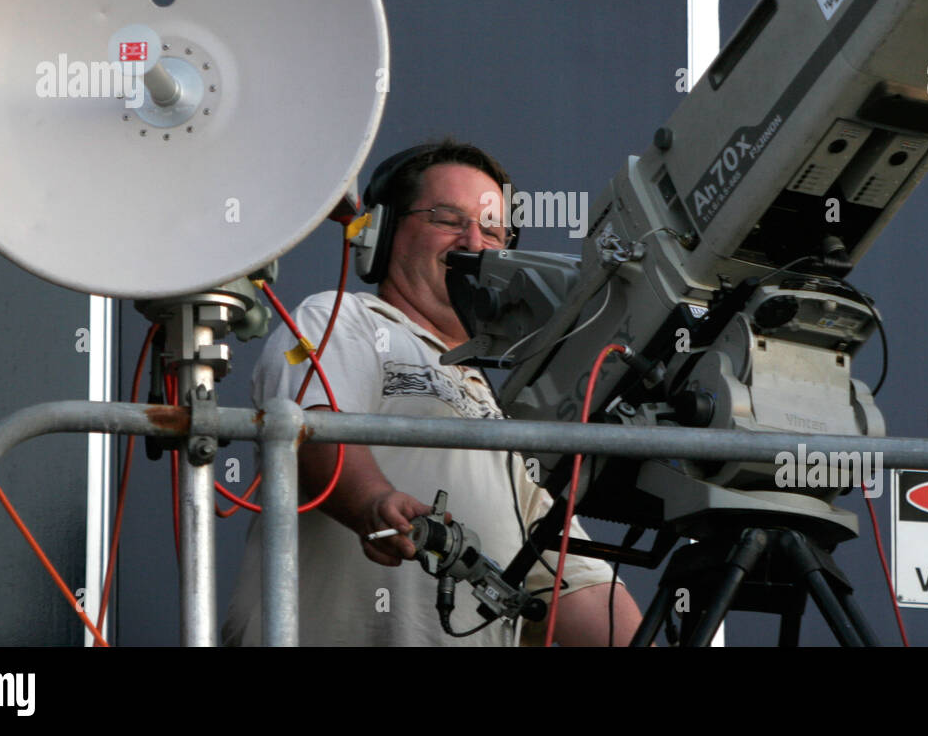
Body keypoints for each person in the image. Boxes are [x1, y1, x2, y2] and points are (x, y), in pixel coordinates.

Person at [223, 139, 643, 646]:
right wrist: (372, 502)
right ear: (379, 237)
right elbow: (312, 431)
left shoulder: (509, 414)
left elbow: (578, 586)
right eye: (447, 219)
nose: (474, 241)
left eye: (492, 228)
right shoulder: (342, 318)